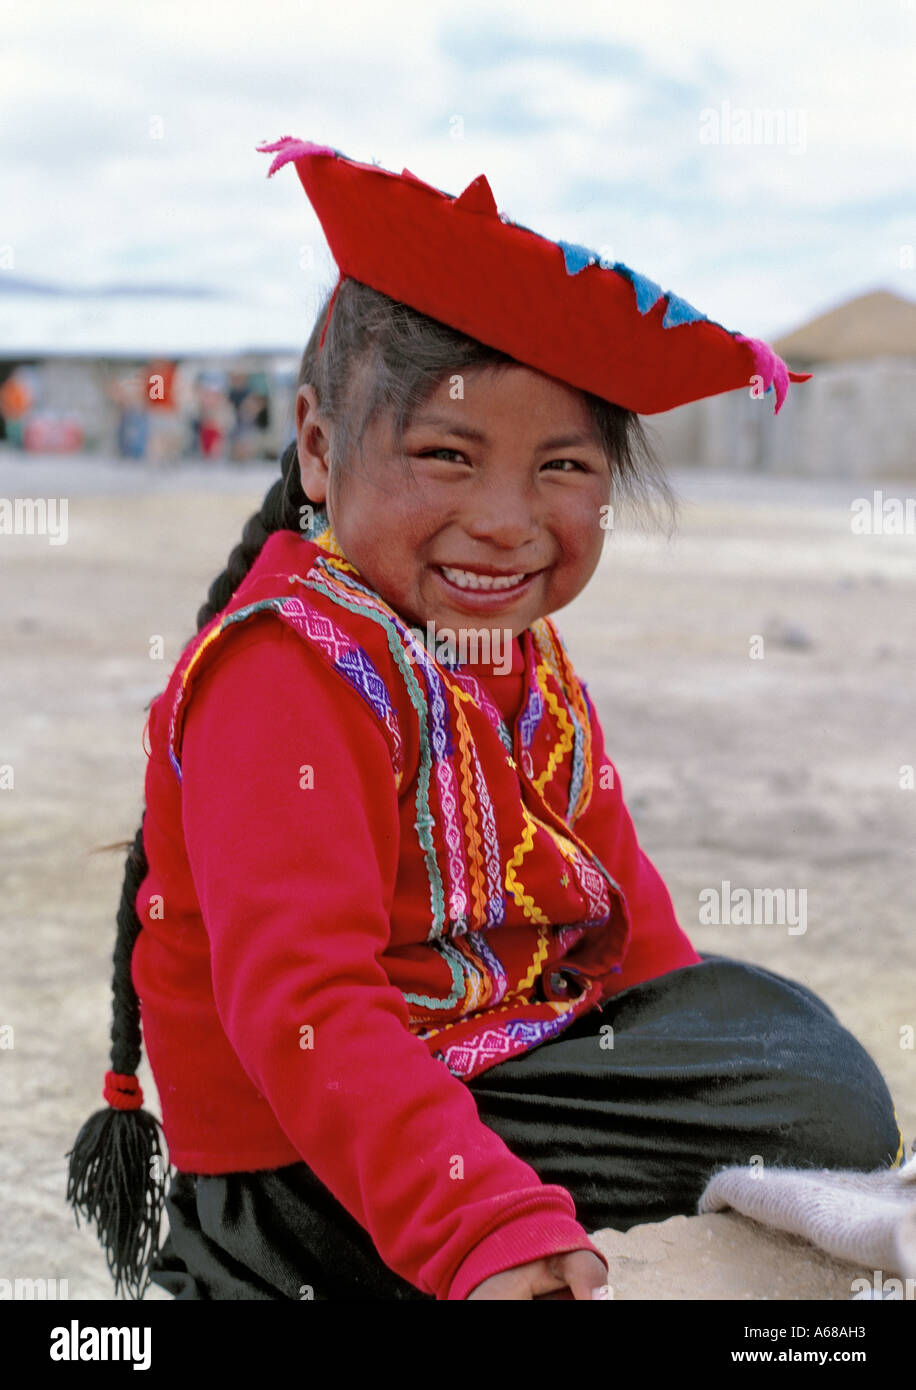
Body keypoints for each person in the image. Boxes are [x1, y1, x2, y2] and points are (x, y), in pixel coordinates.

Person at [67, 138, 903, 1304]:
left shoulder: (515, 652)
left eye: (561, 465)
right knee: (804, 1088)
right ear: (317, 447)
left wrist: (683, 1031)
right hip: (308, 1170)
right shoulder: (286, 669)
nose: (507, 521)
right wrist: (476, 1223)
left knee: (782, 1042)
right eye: (446, 456)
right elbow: (303, 1008)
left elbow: (625, 910)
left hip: (494, 1071)